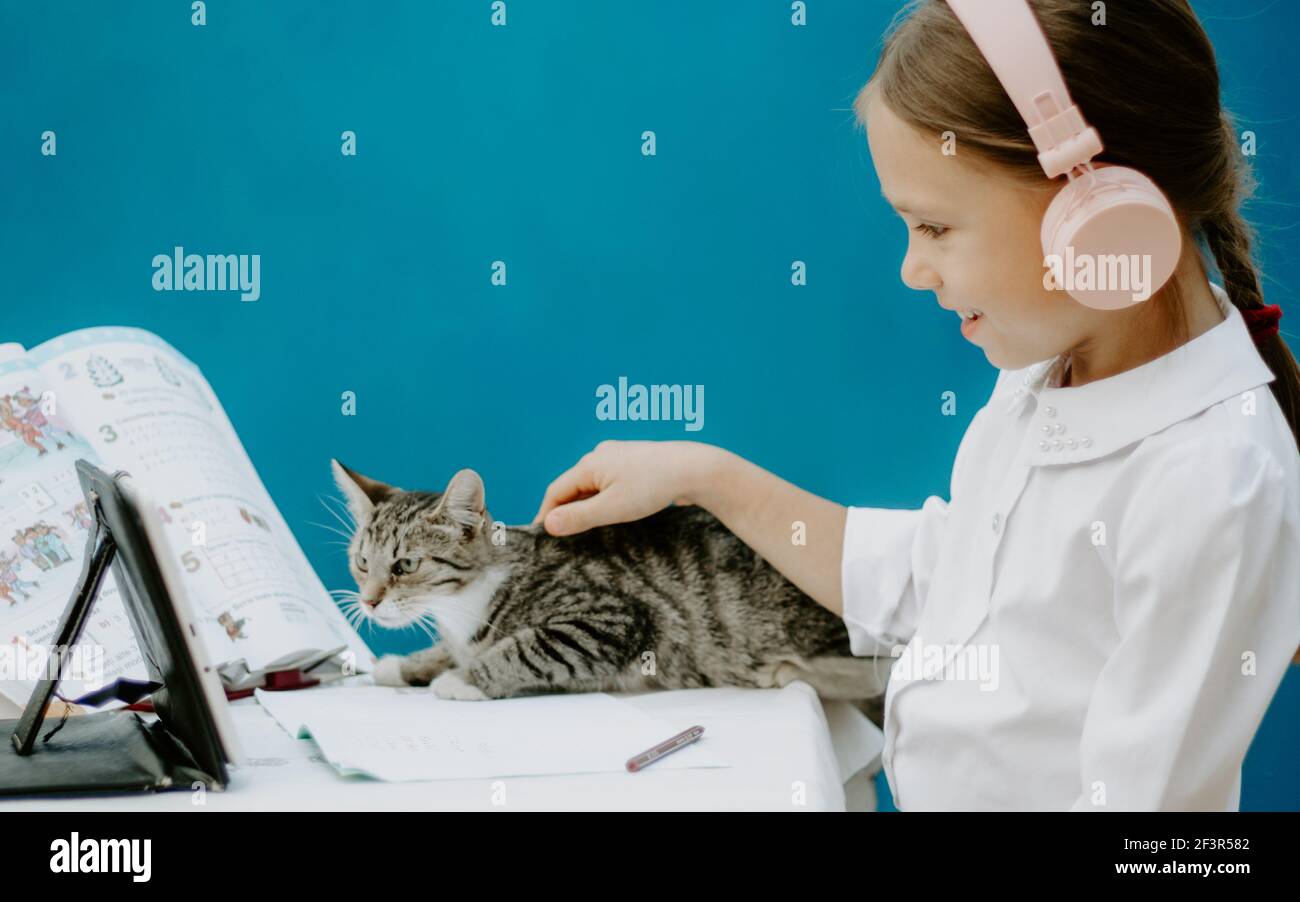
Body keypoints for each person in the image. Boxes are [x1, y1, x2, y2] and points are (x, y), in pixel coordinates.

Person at [532, 0, 1300, 810]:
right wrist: (705, 477)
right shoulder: (1051, 371)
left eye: (933, 226)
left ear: (1099, 216)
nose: (911, 268)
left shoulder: (1210, 481)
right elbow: (948, 589)